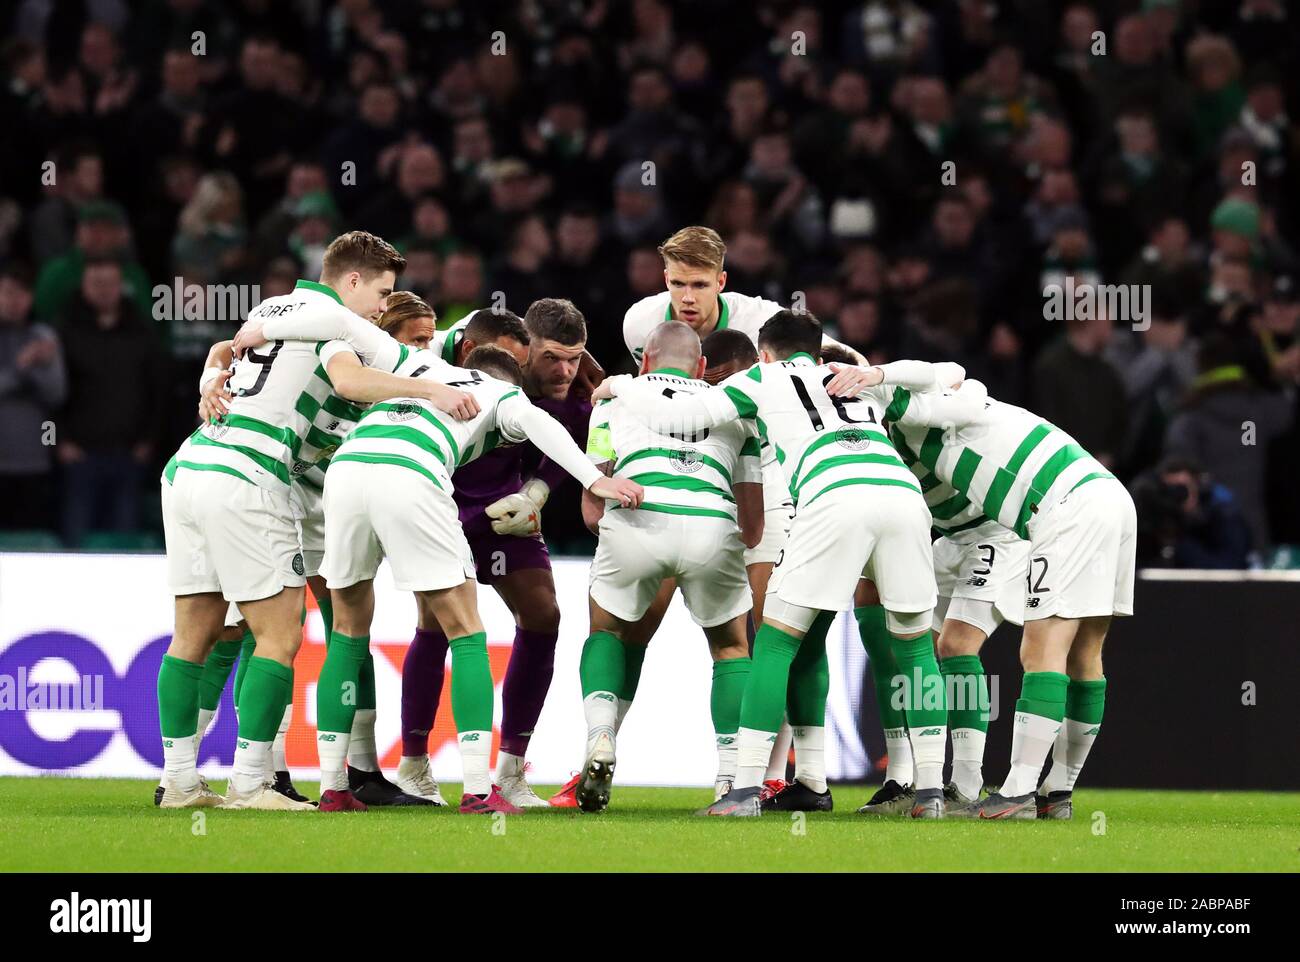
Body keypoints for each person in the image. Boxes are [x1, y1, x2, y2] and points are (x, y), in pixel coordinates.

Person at [597, 311, 972, 817]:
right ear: (818, 354)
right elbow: (950, 373)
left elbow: (677, 419)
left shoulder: (762, 377)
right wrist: (881, 372)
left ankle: (745, 790)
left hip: (834, 494)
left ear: (766, 353)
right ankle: (929, 792)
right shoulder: (859, 384)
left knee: (775, 641)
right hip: (904, 500)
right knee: (914, 648)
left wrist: (621, 383)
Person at [154, 231, 478, 811]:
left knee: (193, 634)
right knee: (279, 636)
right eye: (382, 292)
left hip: (189, 464)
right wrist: (429, 390)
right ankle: (252, 785)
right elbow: (352, 382)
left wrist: (208, 382)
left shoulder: (271, 307)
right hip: (249, 474)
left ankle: (178, 781)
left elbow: (222, 350)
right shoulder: (331, 319)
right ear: (351, 281)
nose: (383, 306)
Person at [315, 344, 642, 812]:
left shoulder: (420, 366)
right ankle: (478, 791)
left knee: (347, 630)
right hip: (410, 472)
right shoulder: (501, 395)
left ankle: (333, 788)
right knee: (466, 631)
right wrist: (594, 480)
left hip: (346, 471)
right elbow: (541, 424)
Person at [825, 355, 1138, 820]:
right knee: (1085, 653)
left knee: (1041, 650)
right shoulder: (943, 406)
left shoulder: (921, 409)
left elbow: (941, 371)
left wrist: (879, 375)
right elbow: (950, 371)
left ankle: (1014, 791)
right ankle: (1056, 792)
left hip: (1059, 510)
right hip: (1102, 495)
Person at [574, 321, 763, 812]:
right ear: (702, 367)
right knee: (730, 646)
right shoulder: (732, 410)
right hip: (713, 527)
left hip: (638, 520)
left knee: (609, 631)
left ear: (646, 360)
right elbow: (754, 521)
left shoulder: (616, 399)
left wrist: (618, 530)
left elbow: (592, 503)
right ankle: (730, 780)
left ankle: (600, 738)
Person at [0, 264, 67, 533]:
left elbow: (57, 393)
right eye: (7, 293)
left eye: (21, 294)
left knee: (32, 541)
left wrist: (44, 366)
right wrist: (24, 366)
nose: (14, 301)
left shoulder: (43, 337)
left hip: (35, 460)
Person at [1131, 455, 1252, 569]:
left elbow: (1230, 569)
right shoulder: (1157, 516)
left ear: (1199, 486)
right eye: (1168, 490)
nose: (1174, 497)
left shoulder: (1222, 513)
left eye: (1180, 489)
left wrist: (1180, 545)